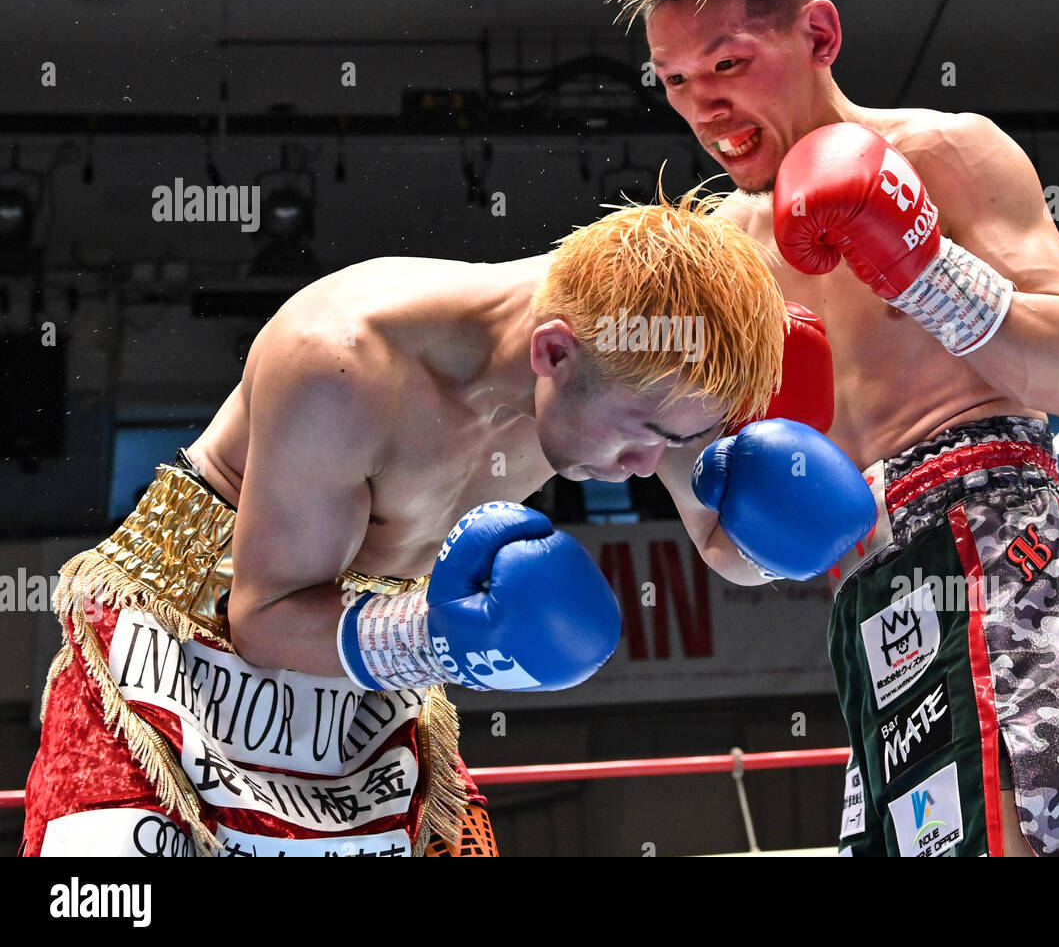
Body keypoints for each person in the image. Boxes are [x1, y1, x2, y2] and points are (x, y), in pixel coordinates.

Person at [612, 0, 1059, 857]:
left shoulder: (945, 152)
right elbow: (736, 554)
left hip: (1006, 568)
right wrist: (676, 445)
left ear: (817, 36)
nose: (702, 102)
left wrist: (919, 265)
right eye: (676, 78)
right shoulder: (720, 262)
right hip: (868, 610)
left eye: (727, 60)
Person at [23, 192, 799, 858]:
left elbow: (725, 549)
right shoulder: (346, 362)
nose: (644, 466)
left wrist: (794, 532)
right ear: (554, 352)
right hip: (183, 647)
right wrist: (450, 638)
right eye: (642, 435)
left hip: (369, 665)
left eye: (675, 441)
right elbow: (261, 617)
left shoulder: (655, 352)